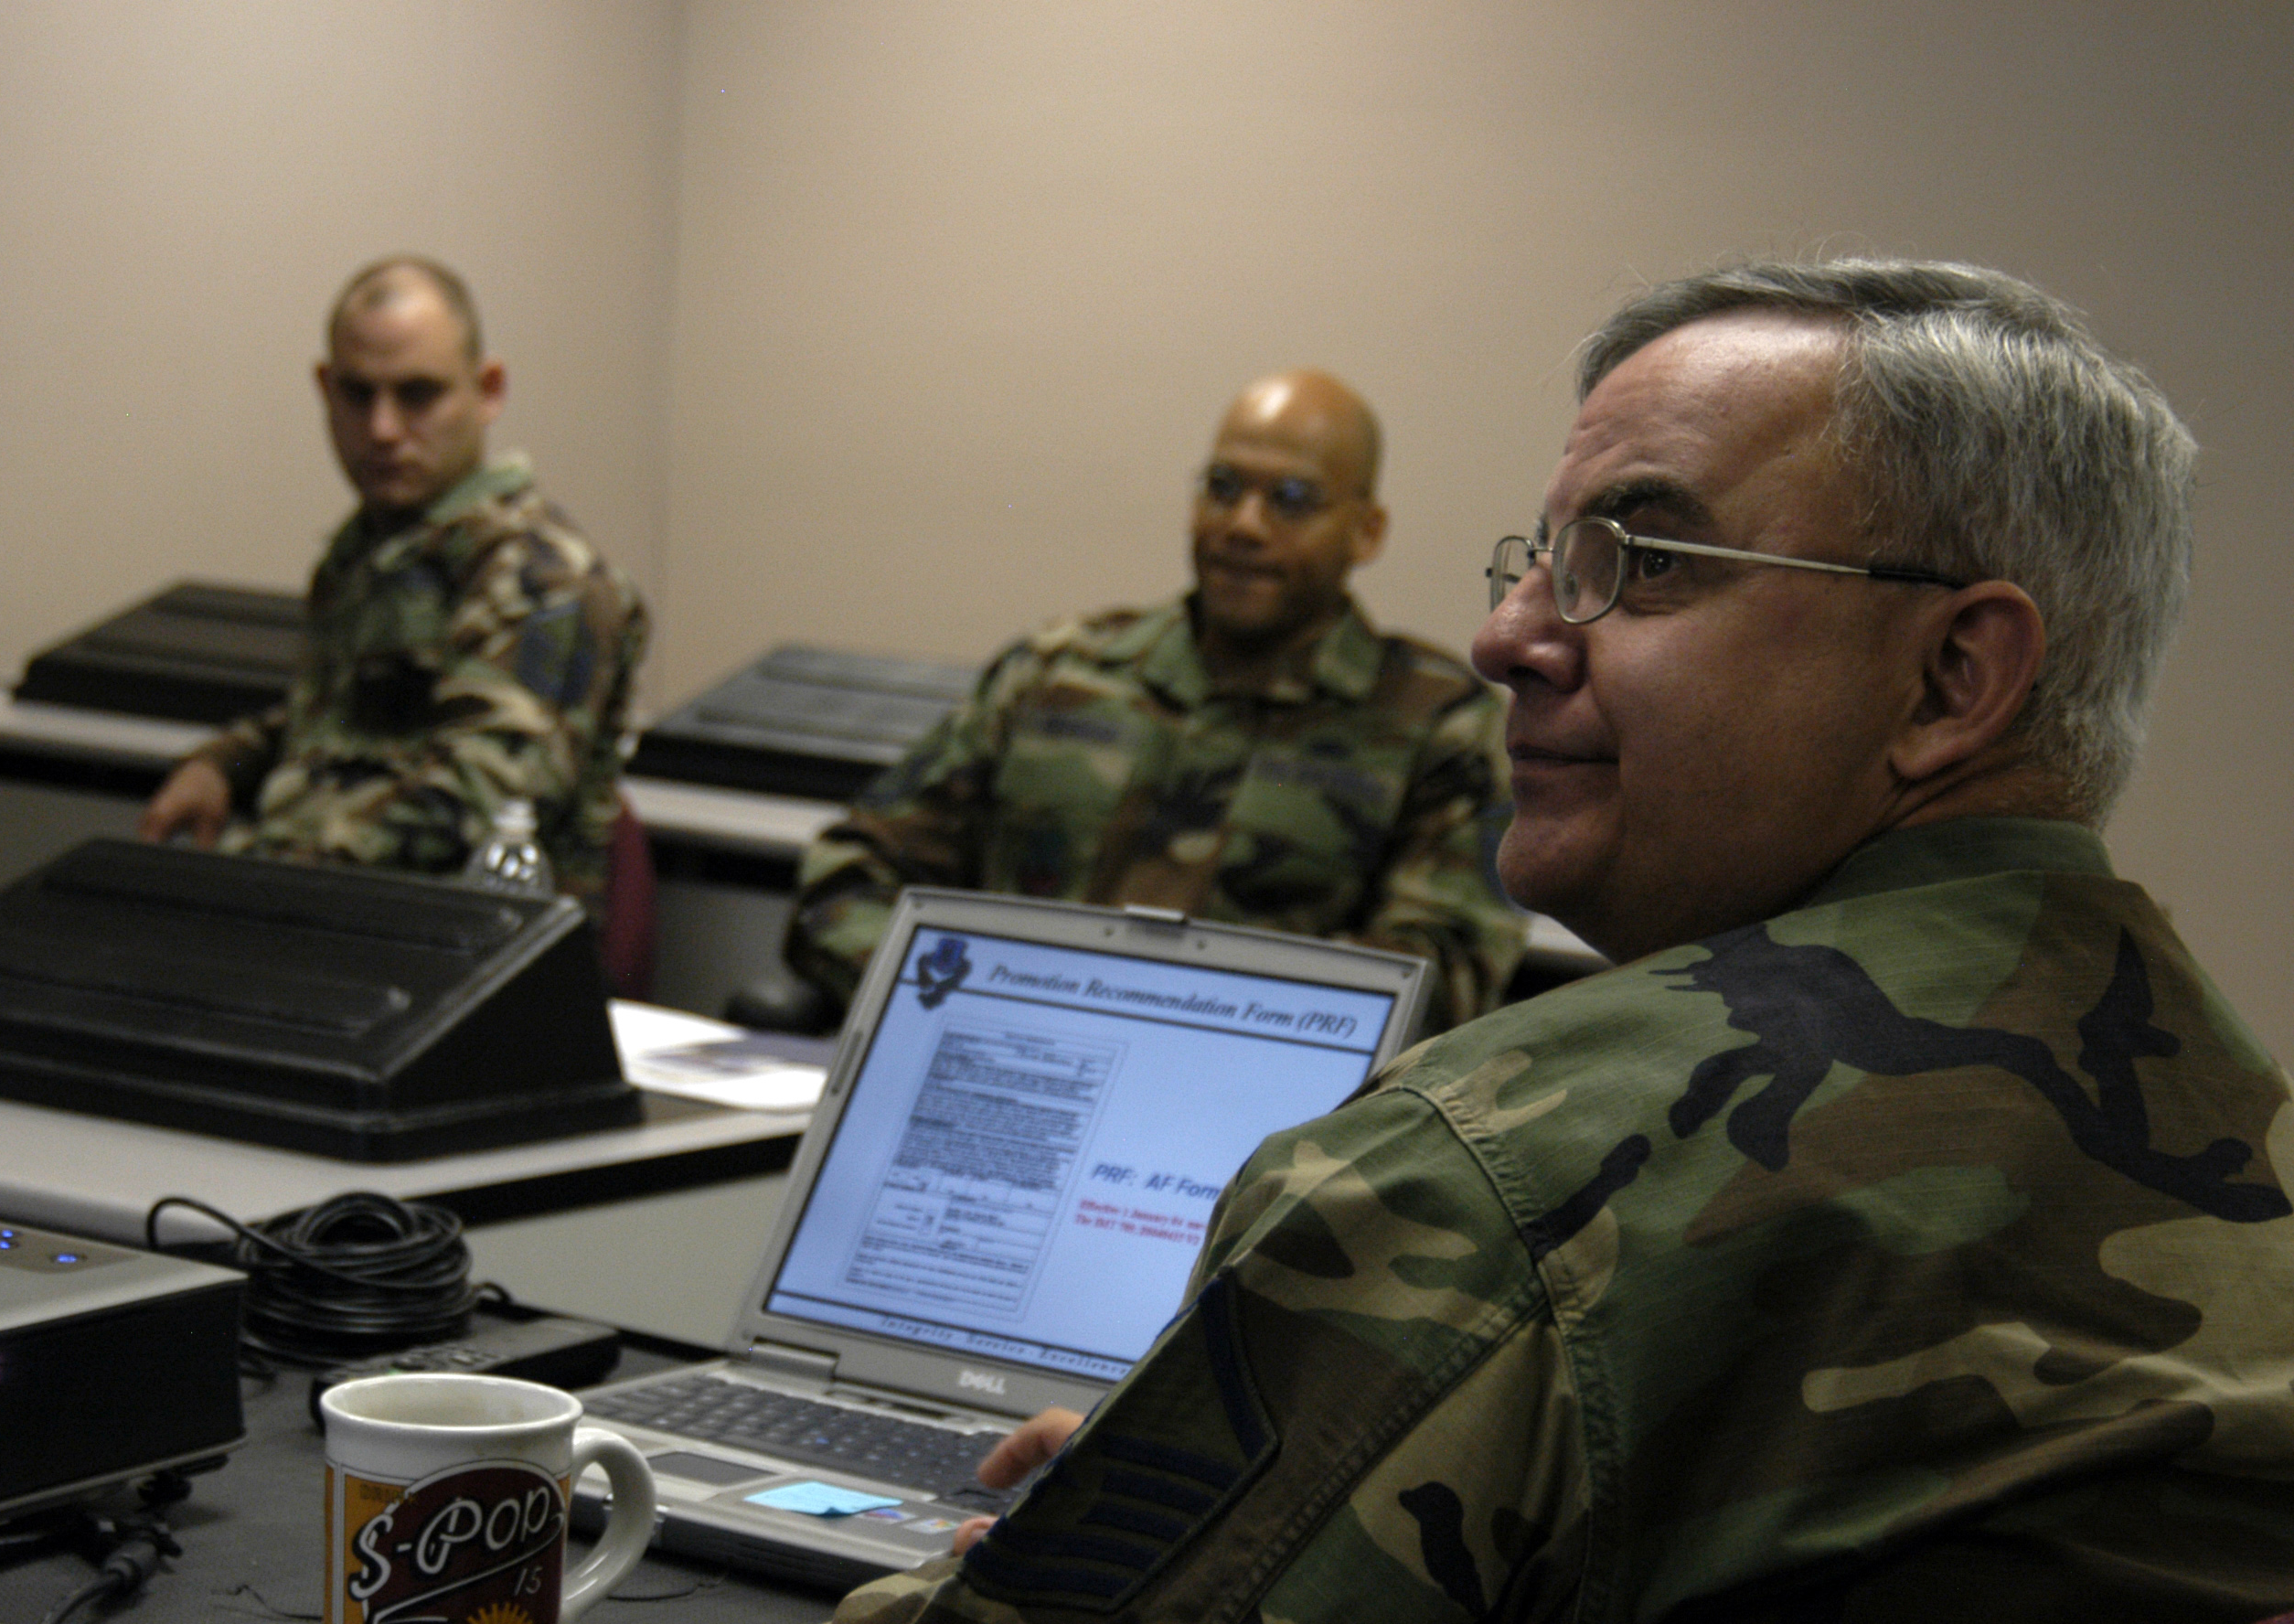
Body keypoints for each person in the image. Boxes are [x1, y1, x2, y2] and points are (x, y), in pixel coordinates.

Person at [831, 262, 2294, 1620]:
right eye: (1538, 561)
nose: (1509, 637)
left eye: (1642, 563)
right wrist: (1268, 1475)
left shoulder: (1489, 1184)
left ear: (1952, 680)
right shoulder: (2245, 1130)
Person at [784, 369, 1523, 1036]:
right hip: (988, 1064)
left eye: (1292, 499)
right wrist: (967, 1003)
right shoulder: (1056, 674)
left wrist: (1179, 1033)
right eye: (1224, 486)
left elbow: (1441, 980)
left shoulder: (1437, 726)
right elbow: (848, 876)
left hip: (1252, 1134)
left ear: (1366, 532)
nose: (1245, 525)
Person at [138, 259, 647, 917]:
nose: (382, 429)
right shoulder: (378, 552)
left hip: (465, 956)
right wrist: (224, 763)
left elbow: (476, 805)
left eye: (418, 394)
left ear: (488, 390)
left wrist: (256, 870)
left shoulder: (546, 580)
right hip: (331, 926)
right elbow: (339, 726)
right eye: (358, 394)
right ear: (325, 389)